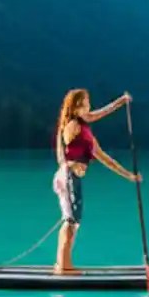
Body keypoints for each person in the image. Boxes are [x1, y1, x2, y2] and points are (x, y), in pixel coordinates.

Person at [53, 89, 140, 274]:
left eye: (88, 103)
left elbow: (105, 159)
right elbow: (97, 115)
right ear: (75, 107)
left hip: (74, 178)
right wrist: (120, 101)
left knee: (74, 221)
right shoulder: (71, 126)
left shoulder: (86, 133)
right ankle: (63, 266)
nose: (88, 107)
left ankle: (63, 264)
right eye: (84, 103)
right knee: (70, 220)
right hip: (68, 176)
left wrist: (129, 175)